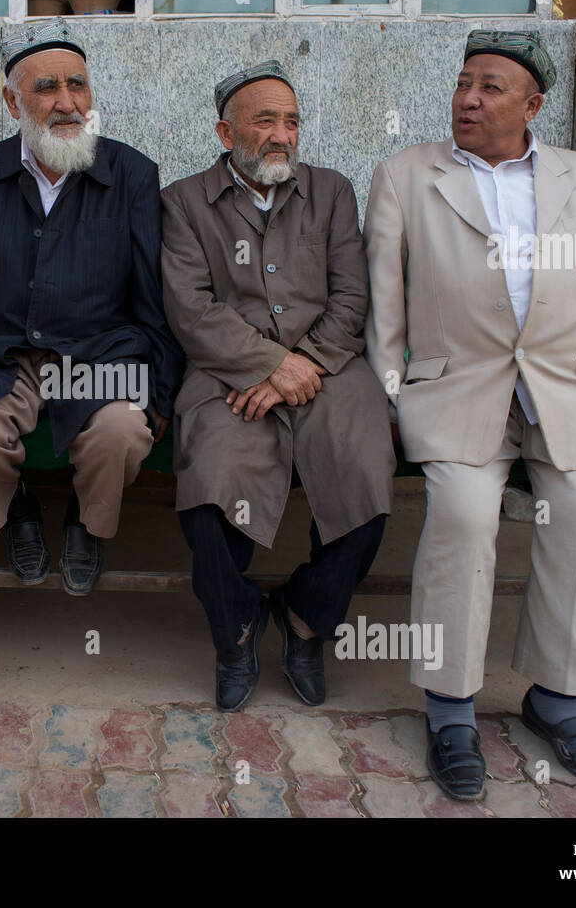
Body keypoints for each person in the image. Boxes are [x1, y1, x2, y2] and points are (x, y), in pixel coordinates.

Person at [364, 30, 576, 800]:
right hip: (457, 387)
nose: (468, 99)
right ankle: (451, 708)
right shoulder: (405, 175)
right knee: (461, 514)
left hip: (572, 384)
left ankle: (556, 699)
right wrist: (394, 388)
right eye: (462, 84)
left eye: (490, 87)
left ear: (533, 105)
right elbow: (385, 302)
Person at [0, 19, 182, 596]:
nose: (66, 103)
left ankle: (87, 523)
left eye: (77, 86)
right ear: (12, 101)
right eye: (46, 89)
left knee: (120, 434)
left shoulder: (132, 174)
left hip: (101, 352)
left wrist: (159, 391)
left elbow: (154, 295)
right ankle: (17, 510)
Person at [160, 61, 393, 713]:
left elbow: (352, 295)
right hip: (226, 373)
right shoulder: (183, 202)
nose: (282, 135)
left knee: (366, 475)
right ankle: (235, 630)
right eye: (266, 120)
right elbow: (190, 308)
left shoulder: (332, 191)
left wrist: (304, 364)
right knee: (209, 486)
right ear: (225, 130)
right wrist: (266, 363)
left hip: (329, 368)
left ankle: (303, 617)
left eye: (291, 121)